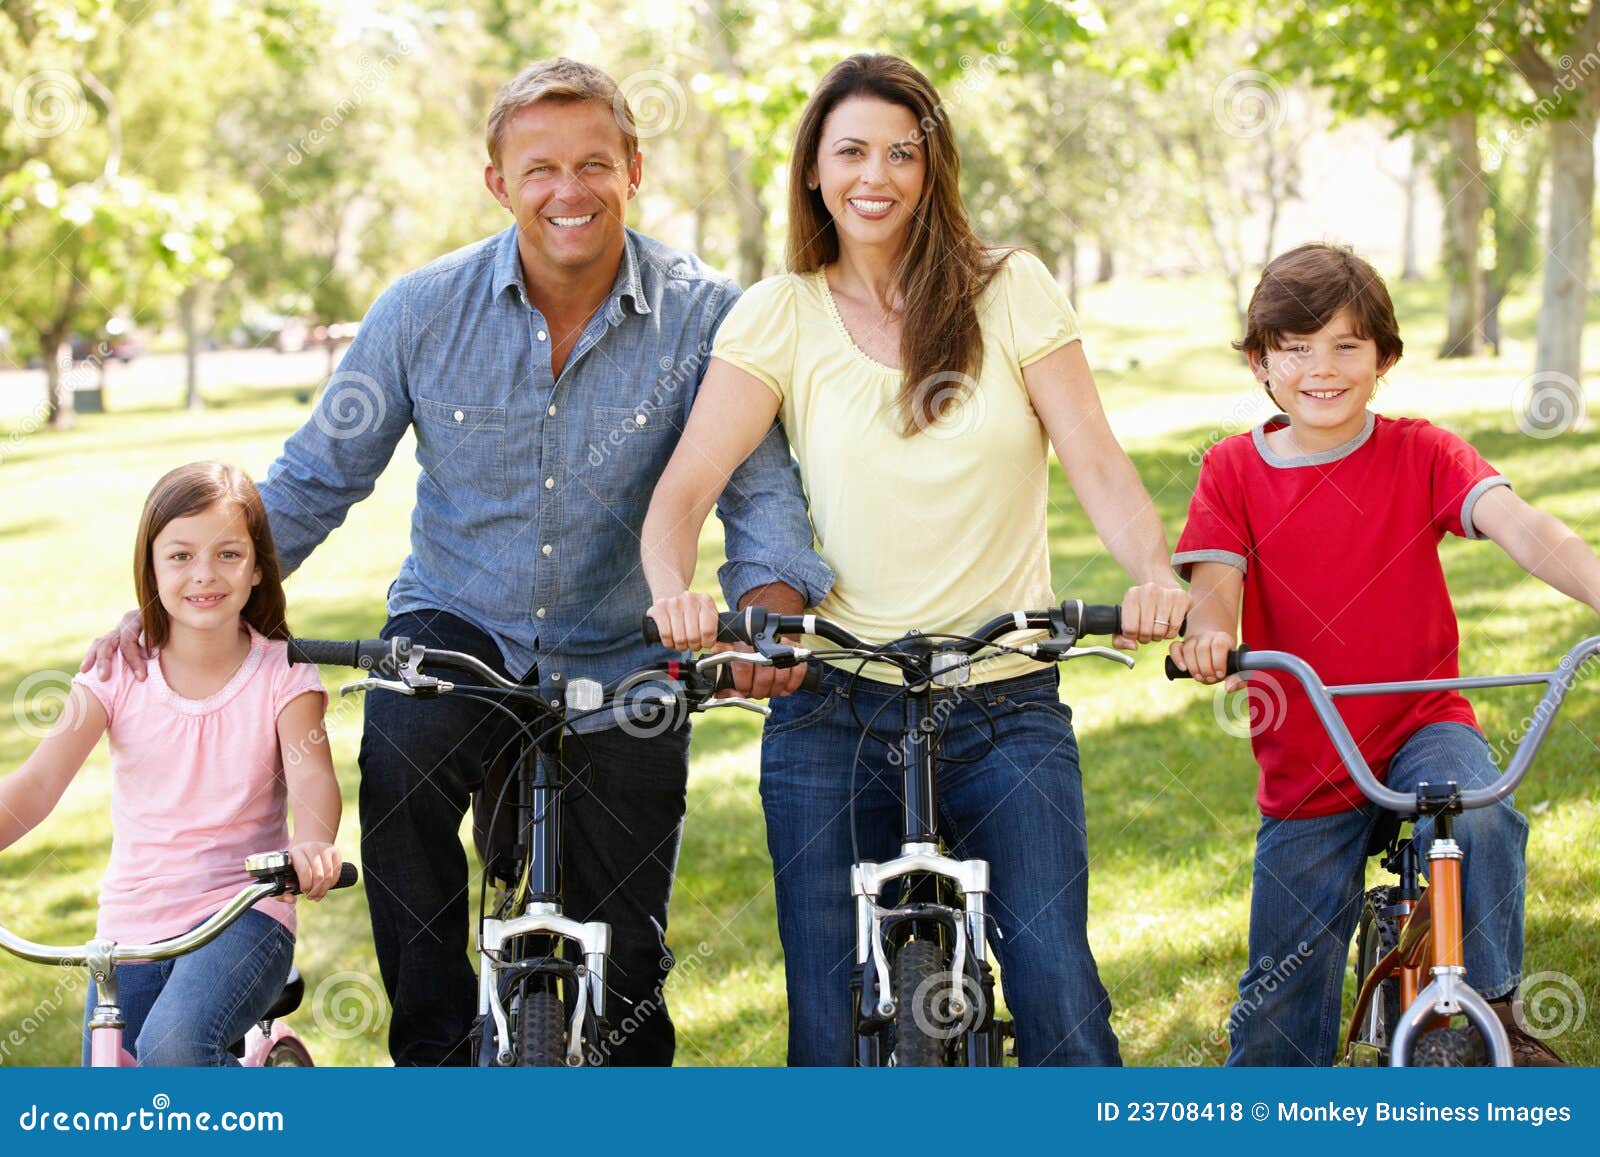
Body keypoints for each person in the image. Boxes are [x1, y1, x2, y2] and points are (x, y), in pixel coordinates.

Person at [83, 59, 827, 1067]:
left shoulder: (707, 316)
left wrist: (769, 606)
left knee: (632, 949)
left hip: (623, 636)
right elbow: (312, 479)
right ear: (498, 182)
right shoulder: (420, 310)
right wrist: (194, 608)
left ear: (634, 168)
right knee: (400, 760)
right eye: (541, 169)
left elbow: (760, 488)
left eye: (594, 164)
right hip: (456, 622)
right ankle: (433, 1058)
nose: (569, 191)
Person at [641, 54, 1188, 1066]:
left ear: (932, 170)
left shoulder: (1010, 289)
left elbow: (1097, 461)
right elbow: (685, 487)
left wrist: (1154, 573)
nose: (875, 175)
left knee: (1059, 995)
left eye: (902, 152)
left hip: (1004, 697)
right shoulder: (780, 310)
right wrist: (673, 593)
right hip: (832, 705)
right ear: (813, 168)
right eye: (851, 150)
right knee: (825, 1020)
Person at [1168, 242, 1600, 1066]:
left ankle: (1496, 1007)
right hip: (1309, 755)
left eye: (1346, 346)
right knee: (1278, 1019)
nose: (1320, 370)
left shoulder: (1422, 452)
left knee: (1479, 811)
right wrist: (1211, 632)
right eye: (1295, 349)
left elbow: (1525, 527)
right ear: (1260, 362)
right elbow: (1216, 586)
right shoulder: (1231, 471)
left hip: (1420, 722)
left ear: (1384, 359)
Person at [2, 462, 342, 1066]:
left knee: (173, 1048)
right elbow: (34, 787)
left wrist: (311, 844)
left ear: (259, 566)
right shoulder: (117, 672)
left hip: (244, 913)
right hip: (129, 930)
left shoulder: (283, 674)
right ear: (151, 568)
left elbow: (313, 776)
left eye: (229, 554)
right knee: (114, 1104)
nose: (204, 575)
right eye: (180, 556)